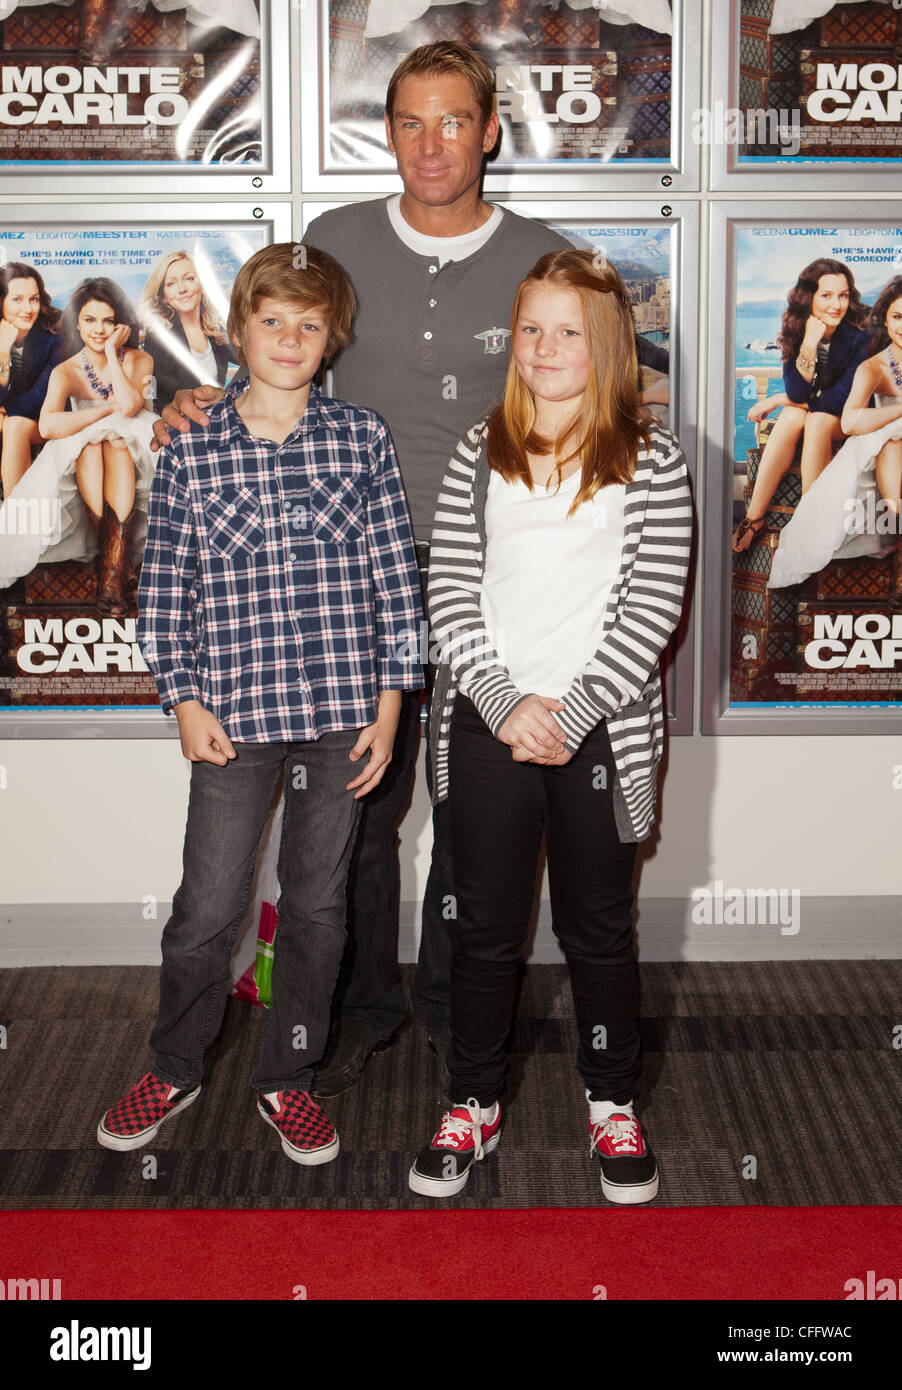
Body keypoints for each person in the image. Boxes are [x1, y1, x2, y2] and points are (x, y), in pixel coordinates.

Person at [150, 41, 572, 1099]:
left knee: (476, 797)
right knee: (363, 808)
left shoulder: (538, 253)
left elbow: (578, 387)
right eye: (409, 122)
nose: (431, 144)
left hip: (494, 568)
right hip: (346, 570)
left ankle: (452, 1003)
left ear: (487, 131)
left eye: (453, 121)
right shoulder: (333, 238)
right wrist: (197, 399)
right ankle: (354, 1009)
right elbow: (276, 334)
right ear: (385, 132)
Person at [96, 243, 423, 1163]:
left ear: (333, 339)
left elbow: (395, 579)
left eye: (309, 325)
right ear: (237, 333)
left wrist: (393, 700)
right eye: (271, 321)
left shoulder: (362, 438)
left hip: (341, 716)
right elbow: (165, 587)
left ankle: (288, 1077)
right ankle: (175, 1064)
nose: (289, 338)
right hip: (231, 721)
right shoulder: (192, 447)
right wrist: (183, 699)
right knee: (208, 904)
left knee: (317, 909)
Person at [409, 250, 692, 1202]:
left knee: (598, 932)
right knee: (483, 930)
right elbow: (447, 591)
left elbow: (652, 610)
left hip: (603, 733)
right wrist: (505, 703)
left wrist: (569, 714)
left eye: (568, 330)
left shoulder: (651, 458)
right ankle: (472, 1100)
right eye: (531, 327)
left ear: (605, 342)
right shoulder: (476, 448)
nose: (544, 347)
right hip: (490, 725)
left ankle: (612, 1101)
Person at [0, 277, 155, 613]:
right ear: (77, 323)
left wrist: (113, 354)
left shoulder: (137, 360)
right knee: (91, 446)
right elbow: (48, 424)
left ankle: (112, 573)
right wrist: (104, 408)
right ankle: (116, 574)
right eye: (89, 320)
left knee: (114, 443)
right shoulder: (67, 370)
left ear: (120, 324)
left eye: (108, 320)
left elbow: (129, 407)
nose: (99, 329)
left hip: (137, 454)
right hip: (86, 461)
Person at [768, 275, 902, 593]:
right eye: (898, 316)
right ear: (885, 318)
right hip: (889, 444)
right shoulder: (875, 367)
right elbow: (850, 422)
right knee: (891, 442)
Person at [733, 258, 870, 553]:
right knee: (795, 415)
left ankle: (811, 519)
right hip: (825, 410)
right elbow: (797, 390)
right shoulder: (797, 327)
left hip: (860, 415)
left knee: (815, 419)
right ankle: (754, 517)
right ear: (809, 298)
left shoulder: (862, 334)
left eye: (843, 295)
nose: (836, 305)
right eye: (826, 295)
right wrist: (809, 342)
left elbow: (841, 400)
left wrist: (779, 398)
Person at [139, 250, 235, 411]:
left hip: (220, 417)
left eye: (189, 279)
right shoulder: (159, 336)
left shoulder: (215, 331)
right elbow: (166, 394)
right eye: (171, 283)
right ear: (163, 295)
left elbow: (250, 359)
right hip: (181, 422)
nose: (182, 289)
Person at [0, 262, 62, 498]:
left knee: (12, 424)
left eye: (34, 299)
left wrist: (4, 408)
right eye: (17, 299)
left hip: (51, 418)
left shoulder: (55, 331)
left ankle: (16, 523)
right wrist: (3, 352)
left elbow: (43, 397)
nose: (27, 308)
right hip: (17, 416)